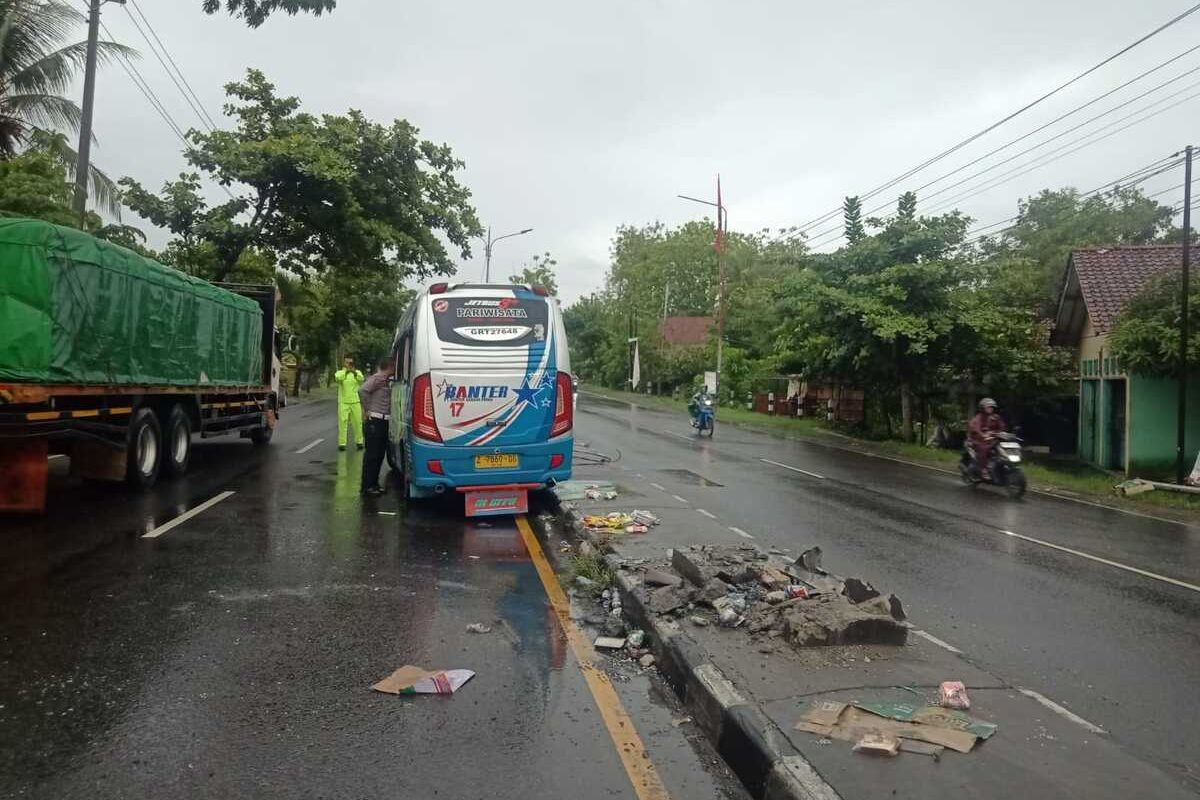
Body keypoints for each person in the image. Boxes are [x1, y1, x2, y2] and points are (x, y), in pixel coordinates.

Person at [358, 357, 395, 495]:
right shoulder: (377, 378)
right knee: (372, 455)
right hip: (375, 420)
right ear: (390, 367)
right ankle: (367, 486)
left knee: (380, 454)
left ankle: (374, 484)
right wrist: (367, 409)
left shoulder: (386, 381)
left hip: (384, 420)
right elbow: (362, 390)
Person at [968, 398, 1006, 478]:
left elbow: (1002, 427)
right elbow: (976, 428)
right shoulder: (978, 418)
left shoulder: (995, 417)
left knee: (1002, 447)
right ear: (982, 408)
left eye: (992, 407)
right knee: (984, 448)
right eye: (988, 407)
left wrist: (1000, 433)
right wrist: (983, 435)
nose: (990, 409)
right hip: (977, 440)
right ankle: (983, 470)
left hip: (991, 439)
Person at [334, 357, 365, 451]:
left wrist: (354, 372)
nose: (348, 364)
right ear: (344, 363)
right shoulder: (340, 372)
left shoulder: (357, 372)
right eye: (347, 362)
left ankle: (359, 442)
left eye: (350, 362)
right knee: (342, 423)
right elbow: (338, 379)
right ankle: (342, 443)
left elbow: (361, 379)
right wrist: (346, 371)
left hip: (355, 401)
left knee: (358, 423)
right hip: (343, 402)